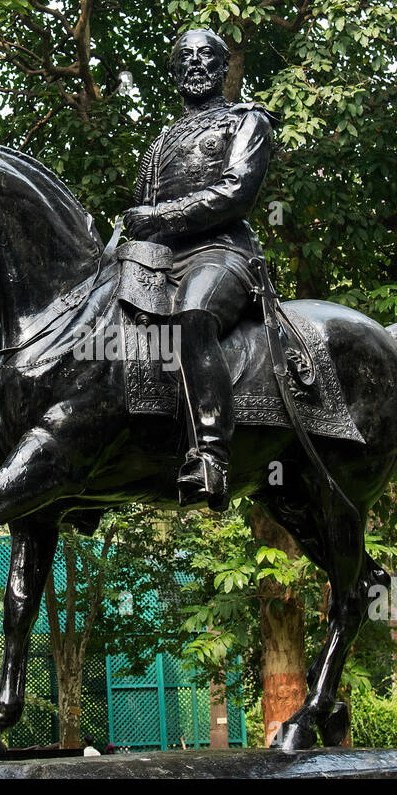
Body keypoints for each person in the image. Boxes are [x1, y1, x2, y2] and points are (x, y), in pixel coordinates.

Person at [122, 28, 275, 511]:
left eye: (205, 56)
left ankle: (209, 452)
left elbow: (236, 193)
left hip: (222, 251)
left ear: (222, 67)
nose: (194, 64)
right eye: (184, 57)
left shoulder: (246, 121)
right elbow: (146, 210)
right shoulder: (162, 139)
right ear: (174, 72)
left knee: (193, 315)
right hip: (160, 259)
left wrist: (161, 217)